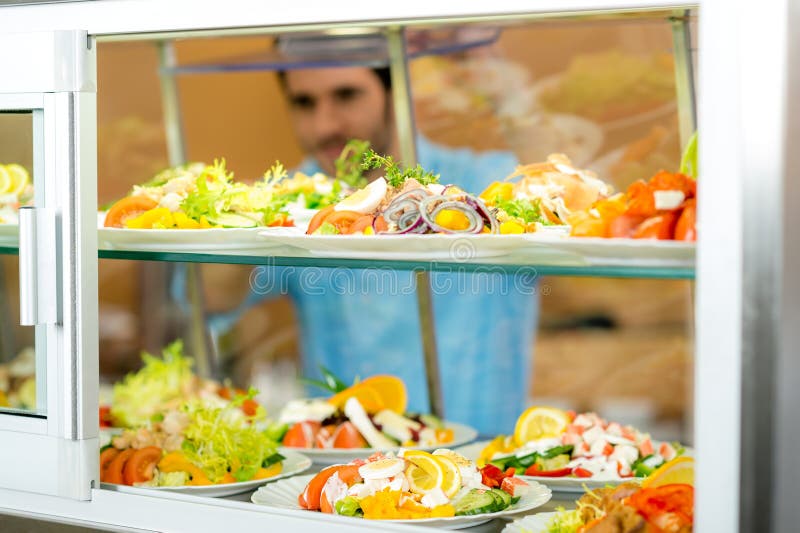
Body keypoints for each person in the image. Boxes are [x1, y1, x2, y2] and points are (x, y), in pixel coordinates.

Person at [216, 65, 539, 435]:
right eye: (303, 103)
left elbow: (589, 201)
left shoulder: (485, 182)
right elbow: (211, 299)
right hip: (344, 465)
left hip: (481, 460)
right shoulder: (296, 197)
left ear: (398, 92)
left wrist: (491, 68)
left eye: (347, 95)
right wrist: (240, 214)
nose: (325, 125)